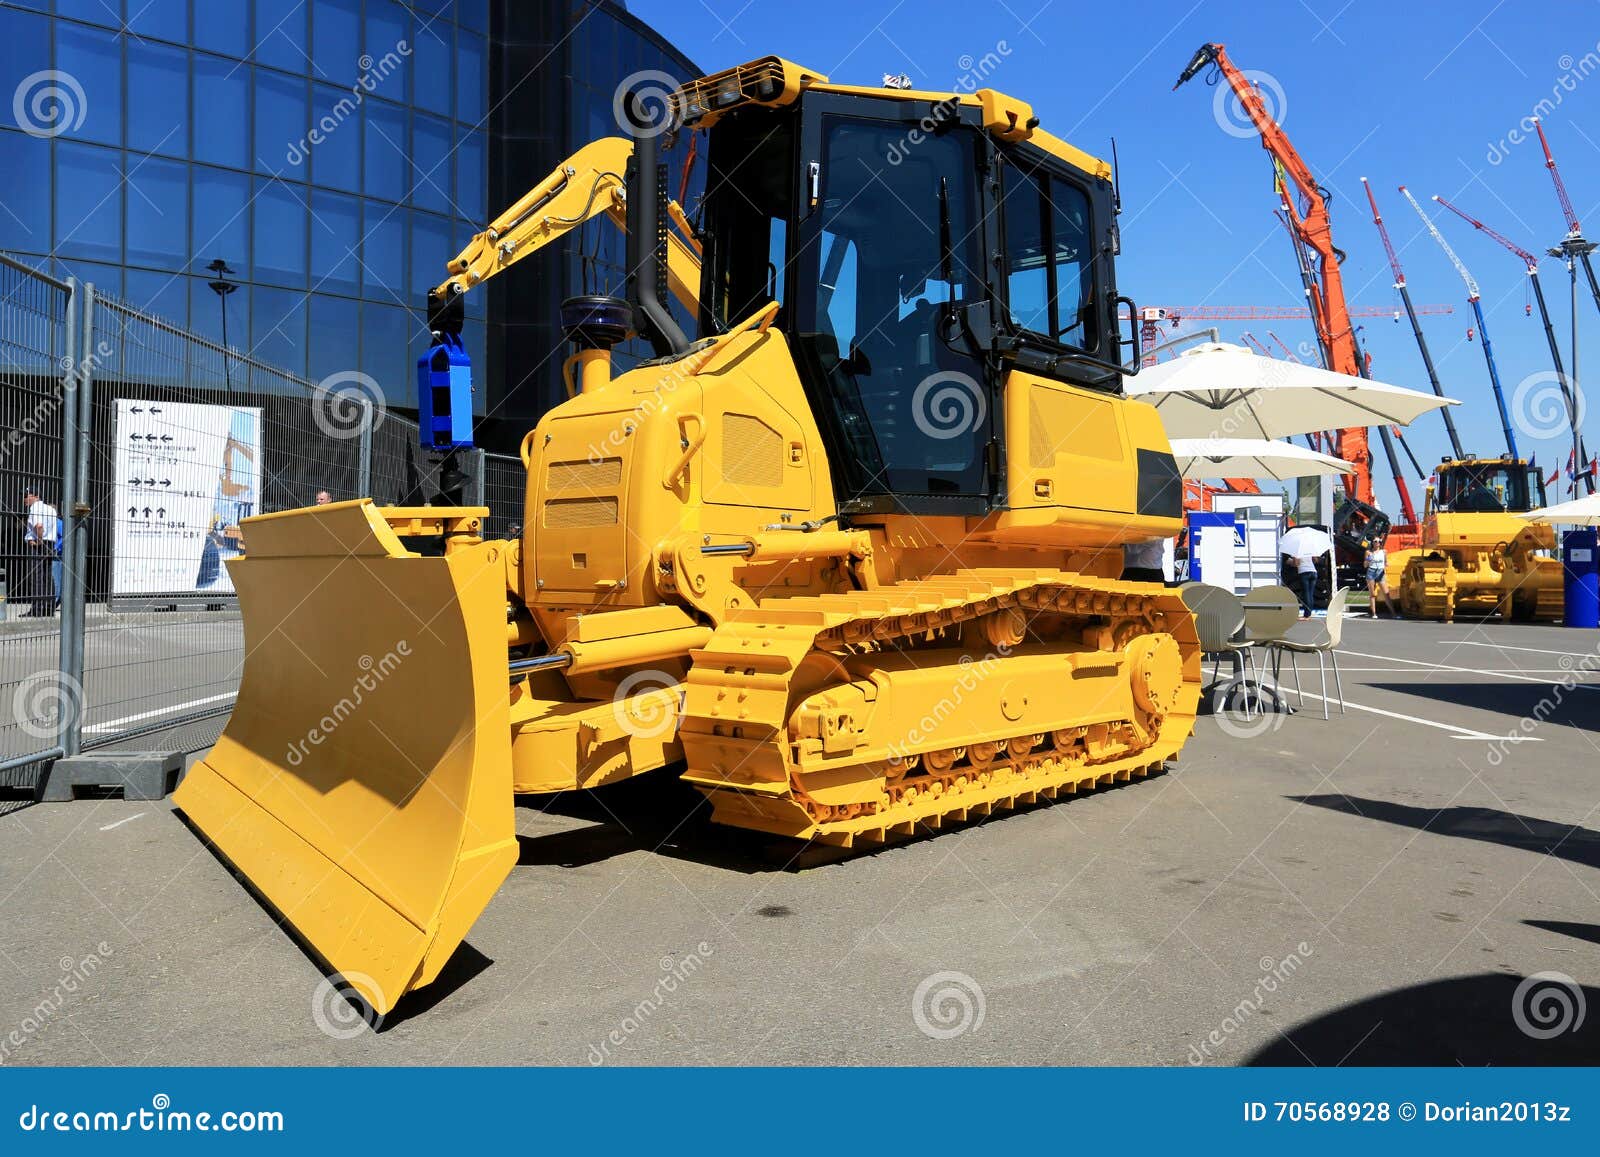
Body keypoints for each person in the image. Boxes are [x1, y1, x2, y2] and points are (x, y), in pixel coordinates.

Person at [22, 486, 59, 617]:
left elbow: (39, 526)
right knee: (47, 576)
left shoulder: (35, 508)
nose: (24, 498)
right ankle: (49, 609)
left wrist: (38, 540)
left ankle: (37, 610)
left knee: (36, 577)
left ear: (36, 496)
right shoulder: (50, 509)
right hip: (49, 543)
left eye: (27, 495)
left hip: (39, 544)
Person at [1366, 540, 1397, 617]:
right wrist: (1369, 559)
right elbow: (1365, 565)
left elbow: (1386, 562)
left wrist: (1387, 564)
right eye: (1375, 541)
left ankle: (1393, 613)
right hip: (1371, 572)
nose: (1377, 543)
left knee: (1386, 593)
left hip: (1380, 572)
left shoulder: (1384, 552)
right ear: (1372, 543)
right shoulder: (1368, 552)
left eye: (1379, 541)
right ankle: (1374, 613)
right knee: (1372, 594)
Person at [1288, 551, 1320, 618]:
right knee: (1310, 594)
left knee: (1306, 593)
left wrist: (1290, 562)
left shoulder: (1296, 550)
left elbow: (1296, 563)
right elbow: (1315, 560)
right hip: (1313, 571)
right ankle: (1309, 613)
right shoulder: (1309, 548)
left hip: (1303, 572)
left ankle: (1306, 614)